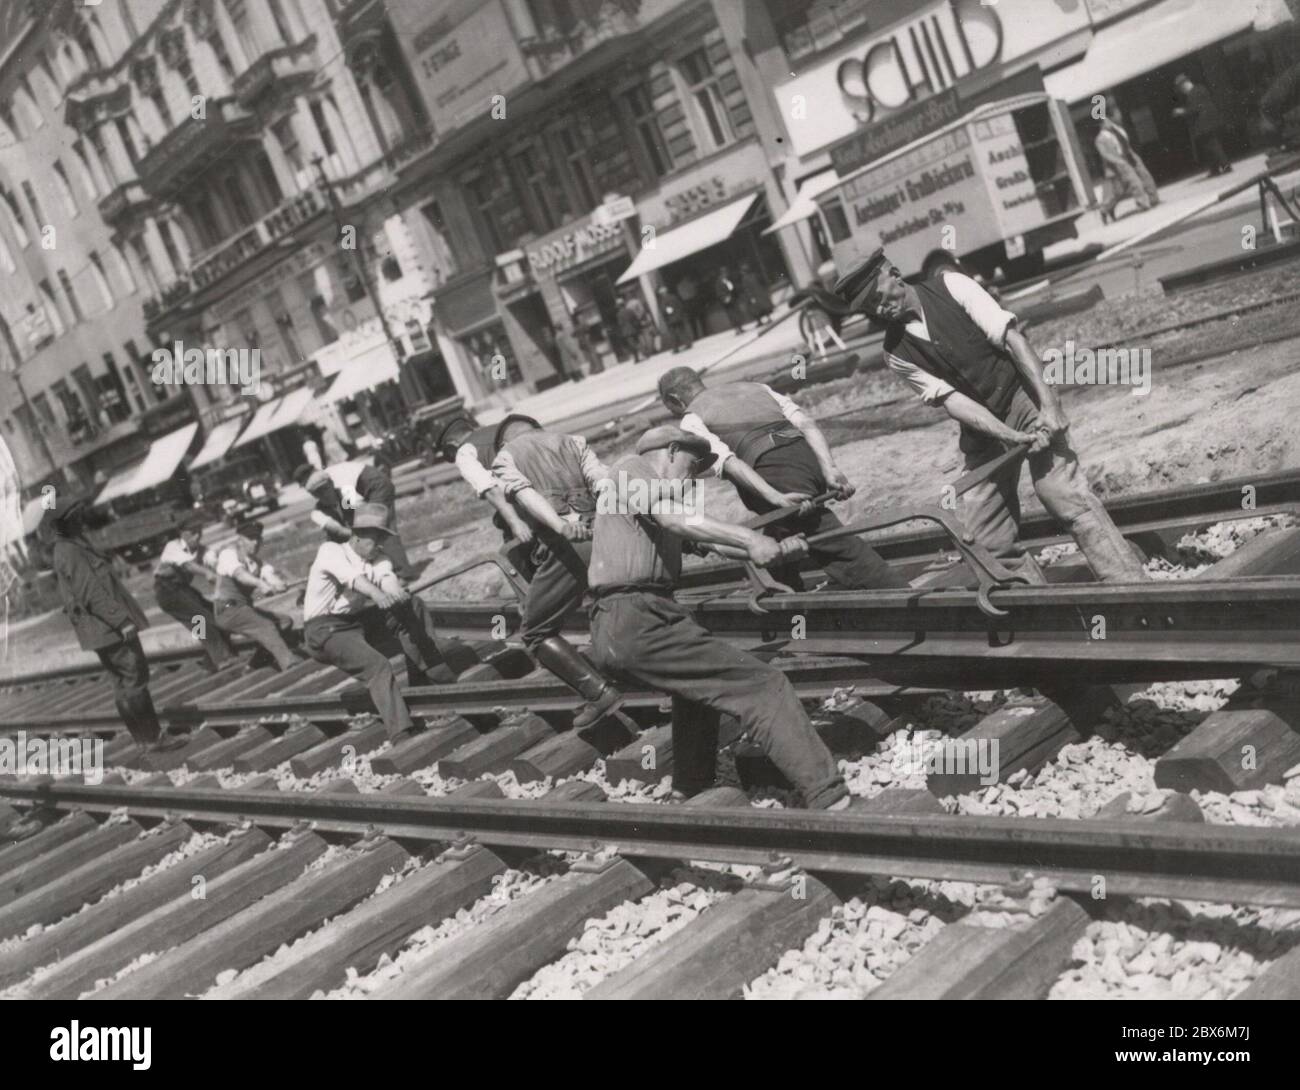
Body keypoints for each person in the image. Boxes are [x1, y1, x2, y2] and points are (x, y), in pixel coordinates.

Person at [832, 247, 1147, 583]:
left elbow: (1014, 341)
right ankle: (1039, 607)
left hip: (1023, 397)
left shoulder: (952, 286)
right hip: (982, 430)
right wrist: (1005, 435)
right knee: (988, 538)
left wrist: (1050, 408)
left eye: (877, 297)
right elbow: (954, 402)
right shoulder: (895, 354)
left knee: (1061, 494)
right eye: (869, 308)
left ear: (893, 274)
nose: (879, 308)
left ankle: (1130, 586)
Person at [587, 425, 851, 809]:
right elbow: (675, 520)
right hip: (636, 615)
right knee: (764, 686)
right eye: (692, 469)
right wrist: (751, 541)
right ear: (672, 451)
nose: (693, 481)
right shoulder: (632, 469)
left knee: (695, 692)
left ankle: (691, 788)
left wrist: (772, 547)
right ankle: (830, 797)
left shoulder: (648, 498)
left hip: (631, 618)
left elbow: (707, 539)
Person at [658, 366, 905, 591]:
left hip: (776, 474)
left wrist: (775, 496)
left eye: (670, 408)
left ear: (675, 399)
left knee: (830, 541)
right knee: (780, 530)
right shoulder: (756, 388)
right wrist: (829, 468)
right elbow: (806, 423)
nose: (673, 412)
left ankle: (899, 593)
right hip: (808, 460)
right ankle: (784, 589)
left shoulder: (691, 419)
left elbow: (730, 463)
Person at [491, 413, 623, 728]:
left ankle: (599, 692)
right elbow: (603, 480)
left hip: (566, 544)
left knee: (536, 631)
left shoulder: (506, 455)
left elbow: (525, 494)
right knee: (615, 603)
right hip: (603, 530)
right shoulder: (572, 441)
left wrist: (562, 526)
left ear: (505, 440)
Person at [303, 504, 454, 738]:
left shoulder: (378, 557)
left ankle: (430, 677)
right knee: (378, 666)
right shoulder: (331, 550)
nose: (380, 546)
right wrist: (377, 594)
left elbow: (387, 578)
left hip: (354, 622)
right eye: (376, 539)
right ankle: (401, 733)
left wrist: (395, 593)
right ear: (358, 536)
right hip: (324, 630)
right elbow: (352, 578)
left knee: (412, 605)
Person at [46, 496, 182, 751]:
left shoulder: (70, 546)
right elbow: (91, 592)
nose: (82, 516)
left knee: (122, 683)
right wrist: (121, 621)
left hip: (101, 629)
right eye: (77, 513)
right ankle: (153, 739)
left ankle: (143, 740)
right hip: (109, 627)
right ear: (67, 520)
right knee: (134, 678)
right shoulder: (71, 550)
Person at [295, 459, 414, 578]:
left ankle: (403, 572)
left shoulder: (336, 481)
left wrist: (360, 535)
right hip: (364, 489)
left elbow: (357, 508)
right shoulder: (325, 479)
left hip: (376, 487)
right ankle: (383, 570)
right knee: (367, 533)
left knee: (379, 527)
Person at [213, 520, 303, 670]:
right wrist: (261, 584)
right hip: (227, 610)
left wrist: (278, 584)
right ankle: (289, 663)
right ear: (240, 540)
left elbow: (270, 575)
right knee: (266, 626)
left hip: (243, 609)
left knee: (284, 622)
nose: (255, 543)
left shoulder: (257, 563)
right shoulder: (228, 554)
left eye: (257, 539)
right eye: (250, 539)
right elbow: (240, 575)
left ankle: (254, 664)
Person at [153, 515, 236, 672]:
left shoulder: (202, 550)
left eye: (199, 532)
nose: (197, 536)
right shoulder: (173, 547)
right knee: (202, 620)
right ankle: (223, 660)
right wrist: (207, 574)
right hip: (166, 592)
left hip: (182, 589)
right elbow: (187, 565)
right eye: (193, 533)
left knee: (219, 615)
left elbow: (214, 562)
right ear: (183, 534)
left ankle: (209, 662)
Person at [1174, 74, 1231, 177]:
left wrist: (1182, 111)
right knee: (1209, 147)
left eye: (1181, 88)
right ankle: (1215, 169)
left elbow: (1194, 109)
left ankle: (1225, 166)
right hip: (1213, 122)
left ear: (1184, 85)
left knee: (1212, 147)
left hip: (1204, 125)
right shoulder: (1201, 88)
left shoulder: (1192, 94)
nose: (1182, 91)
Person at [656, 284, 692, 354]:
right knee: (681, 330)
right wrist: (679, 314)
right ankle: (687, 343)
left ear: (661, 293)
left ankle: (676, 348)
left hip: (671, 319)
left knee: (673, 333)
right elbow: (680, 305)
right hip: (678, 316)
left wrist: (667, 314)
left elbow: (666, 310)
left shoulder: (664, 300)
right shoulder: (673, 296)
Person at [714, 267, 748, 333]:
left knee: (737, 313)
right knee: (732, 315)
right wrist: (724, 298)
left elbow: (732, 288)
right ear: (721, 274)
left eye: (726, 273)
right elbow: (719, 292)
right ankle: (737, 329)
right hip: (727, 301)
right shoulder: (718, 282)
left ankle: (740, 328)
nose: (725, 274)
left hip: (733, 299)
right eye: (723, 273)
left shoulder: (728, 280)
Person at [676, 273, 706, 339]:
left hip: (687, 302)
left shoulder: (679, 286)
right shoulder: (690, 283)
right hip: (693, 301)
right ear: (685, 277)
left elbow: (681, 295)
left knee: (692, 320)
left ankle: (696, 335)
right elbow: (695, 291)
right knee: (700, 318)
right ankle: (705, 333)